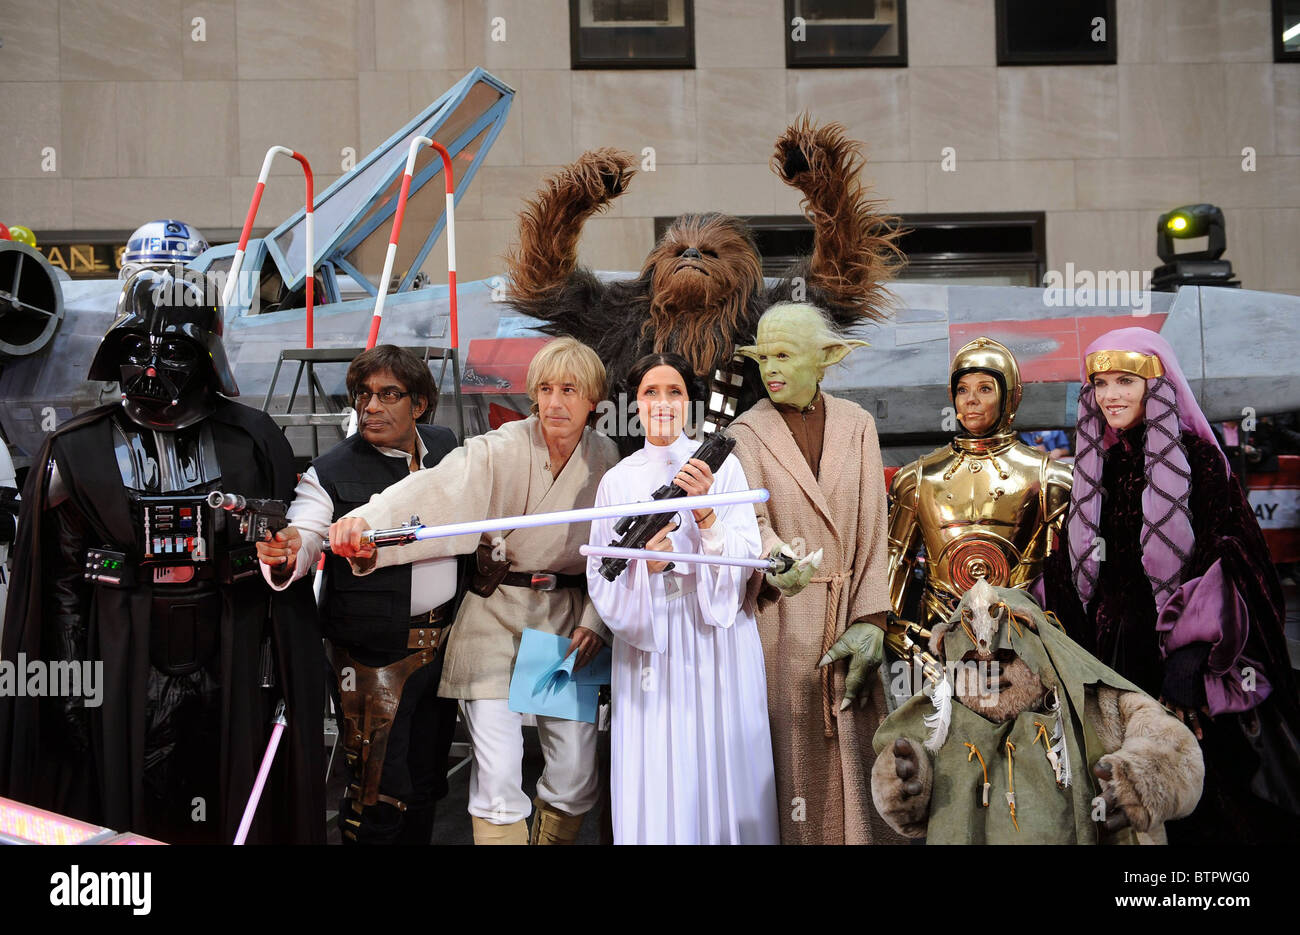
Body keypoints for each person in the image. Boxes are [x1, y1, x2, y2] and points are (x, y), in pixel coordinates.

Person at [0, 266, 324, 843]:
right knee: (124, 798)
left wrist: (272, 664)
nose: (150, 368)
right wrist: (68, 687)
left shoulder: (254, 440)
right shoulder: (74, 449)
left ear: (206, 357)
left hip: (230, 645)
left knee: (226, 794)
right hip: (123, 649)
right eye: (135, 349)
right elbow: (62, 585)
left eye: (172, 351)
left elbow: (281, 557)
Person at [329, 338, 619, 845]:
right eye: (545, 389)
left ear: (593, 398)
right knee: (498, 770)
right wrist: (365, 524)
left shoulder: (607, 458)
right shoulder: (502, 447)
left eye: (569, 390)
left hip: (565, 619)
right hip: (496, 612)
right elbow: (436, 490)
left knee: (575, 775)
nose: (554, 403)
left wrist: (595, 620)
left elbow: (617, 549)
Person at [1046, 327, 1300, 843]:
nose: (1111, 395)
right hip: (1113, 663)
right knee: (1122, 803)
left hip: (1186, 665)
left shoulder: (1201, 463)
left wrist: (1191, 656)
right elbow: (1080, 572)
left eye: (1125, 381)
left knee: (1205, 801)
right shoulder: (1102, 469)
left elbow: (1230, 557)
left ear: (1155, 388)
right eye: (1100, 383)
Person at [256, 345, 459, 845]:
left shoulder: (447, 448)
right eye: (363, 395)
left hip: (444, 645)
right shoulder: (330, 470)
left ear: (419, 404)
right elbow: (306, 534)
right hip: (370, 656)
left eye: (389, 394)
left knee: (427, 784)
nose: (371, 406)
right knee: (375, 796)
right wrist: (288, 552)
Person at [586, 352, 778, 844]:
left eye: (675, 392)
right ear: (636, 403)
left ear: (689, 402)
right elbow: (600, 573)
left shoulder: (724, 468)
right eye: (651, 392)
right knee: (660, 761)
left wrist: (708, 515)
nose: (663, 403)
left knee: (722, 756)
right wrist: (648, 571)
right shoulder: (619, 481)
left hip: (717, 634)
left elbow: (748, 555)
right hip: (654, 644)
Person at [728, 303, 901, 845]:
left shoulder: (858, 425)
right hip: (781, 624)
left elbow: (876, 525)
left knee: (859, 756)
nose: (770, 369)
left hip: (850, 614)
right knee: (794, 762)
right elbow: (751, 521)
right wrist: (779, 564)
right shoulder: (745, 431)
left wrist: (872, 620)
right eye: (762, 357)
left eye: (784, 355)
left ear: (824, 359)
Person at [888, 337, 1073, 649]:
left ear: (1009, 397)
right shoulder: (918, 478)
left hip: (1026, 640)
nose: (970, 400)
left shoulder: (1050, 478)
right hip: (938, 640)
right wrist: (889, 630)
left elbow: (1071, 575)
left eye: (985, 389)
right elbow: (895, 557)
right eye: (963, 389)